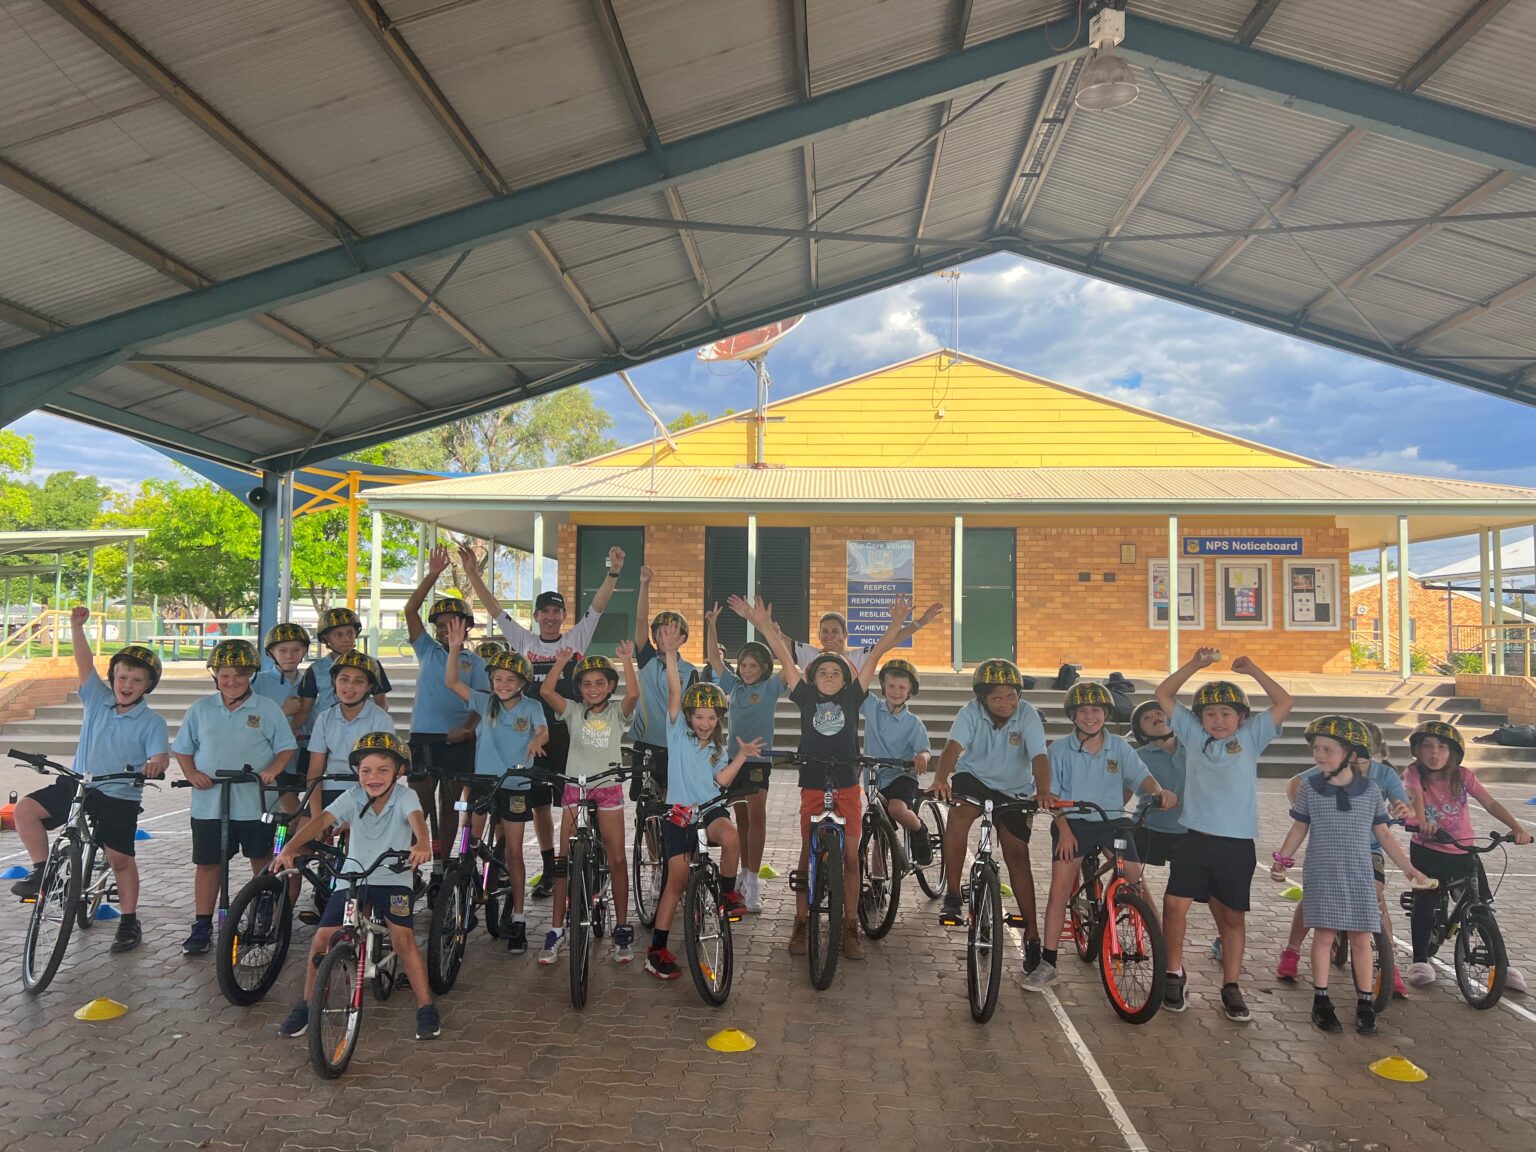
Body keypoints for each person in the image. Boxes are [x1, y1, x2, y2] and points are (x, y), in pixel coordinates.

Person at [736, 593, 910, 962]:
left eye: (835, 672)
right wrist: (765, 626)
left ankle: (849, 927)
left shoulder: (852, 698)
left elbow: (876, 655)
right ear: (812, 677)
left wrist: (896, 624)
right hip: (813, 783)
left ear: (846, 678)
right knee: (805, 855)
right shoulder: (805, 697)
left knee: (850, 859)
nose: (829, 676)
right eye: (822, 672)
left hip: (846, 783)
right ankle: (801, 922)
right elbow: (784, 657)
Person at [458, 541, 625, 899]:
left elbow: (598, 607)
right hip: (531, 737)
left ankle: (587, 858)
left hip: (570, 736)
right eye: (544, 612)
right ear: (536, 616)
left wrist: (613, 573)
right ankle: (552, 869)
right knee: (537, 807)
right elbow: (496, 610)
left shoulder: (576, 638)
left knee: (577, 801)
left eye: (556, 612)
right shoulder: (522, 640)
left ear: (563, 616)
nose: (550, 617)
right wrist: (473, 572)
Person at [9, 608, 168, 955]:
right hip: (79, 784)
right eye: (122, 677)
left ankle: (128, 921)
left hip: (119, 793)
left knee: (119, 858)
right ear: (113, 678)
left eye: (137, 680)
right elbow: (84, 664)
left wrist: (155, 764)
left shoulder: (151, 721)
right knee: (25, 810)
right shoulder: (98, 699)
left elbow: (160, 756)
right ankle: (41, 871)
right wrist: (76, 627)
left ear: (148, 686)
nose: (127, 685)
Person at [1154, 648, 1292, 1022]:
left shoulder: (1251, 737)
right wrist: (1195, 665)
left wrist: (1253, 670)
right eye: (1210, 714)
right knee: (1173, 906)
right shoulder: (1192, 735)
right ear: (1199, 719)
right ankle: (1172, 973)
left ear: (1241, 718)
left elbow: (1284, 701)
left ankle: (1231, 986)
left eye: (1226, 713)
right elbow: (1164, 695)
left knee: (1231, 918)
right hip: (1195, 837)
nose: (1218, 720)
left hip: (1235, 844)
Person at [273, 733, 439, 1042]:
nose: (373, 777)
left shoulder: (406, 797)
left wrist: (422, 844)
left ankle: (425, 1006)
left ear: (399, 772)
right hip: (355, 875)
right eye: (365, 770)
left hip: (392, 876)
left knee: (403, 939)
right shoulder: (352, 796)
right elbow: (319, 820)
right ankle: (306, 1005)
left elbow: (418, 823)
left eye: (382, 770)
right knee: (322, 938)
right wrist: (290, 848)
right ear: (356, 772)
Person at [1270, 716, 1428, 1034]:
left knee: (1360, 937)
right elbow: (1299, 827)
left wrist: (1409, 869)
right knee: (1325, 935)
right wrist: (1282, 860)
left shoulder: (1370, 791)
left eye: (1327, 749)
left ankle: (1365, 1003)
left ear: (1350, 754)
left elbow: (1384, 835)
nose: (1319, 755)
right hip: (1322, 872)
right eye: (1317, 749)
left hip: (1358, 873)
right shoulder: (1309, 789)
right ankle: (1322, 1000)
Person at [1028, 681, 1176, 991]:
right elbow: (1051, 794)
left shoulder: (1120, 747)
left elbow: (1141, 776)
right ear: (1073, 715)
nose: (1090, 716)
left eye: (1096, 710)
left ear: (1106, 713)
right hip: (1074, 821)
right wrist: (1064, 829)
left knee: (1135, 878)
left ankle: (1162, 949)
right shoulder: (1060, 749)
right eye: (1083, 711)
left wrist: (1158, 791)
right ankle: (1048, 961)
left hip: (1112, 820)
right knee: (1060, 888)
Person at [644, 621, 761, 979]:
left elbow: (721, 780)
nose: (705, 722)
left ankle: (727, 893)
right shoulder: (677, 733)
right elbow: (676, 692)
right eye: (699, 716)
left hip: (709, 808)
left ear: (718, 719)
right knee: (676, 882)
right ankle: (658, 950)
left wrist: (742, 757)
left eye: (711, 717)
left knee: (730, 837)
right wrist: (668, 653)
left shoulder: (718, 747)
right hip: (679, 813)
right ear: (689, 717)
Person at [171, 638, 297, 956]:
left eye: (239, 674)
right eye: (224, 675)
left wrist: (272, 771)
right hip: (210, 801)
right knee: (208, 863)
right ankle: (202, 924)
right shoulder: (201, 709)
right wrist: (192, 774)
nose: (232, 681)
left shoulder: (266, 709)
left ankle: (263, 909)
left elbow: (285, 747)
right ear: (215, 676)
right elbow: (183, 749)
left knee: (261, 858)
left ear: (251, 675)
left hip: (254, 801)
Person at [931, 659, 1050, 972]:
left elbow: (1039, 756)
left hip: (1016, 788)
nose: (1005, 703)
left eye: (1011, 695)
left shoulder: (1028, 715)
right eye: (997, 697)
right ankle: (954, 895)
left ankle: (1032, 935)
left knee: (1017, 853)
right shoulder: (970, 712)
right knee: (957, 818)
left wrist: (1043, 790)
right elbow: (952, 748)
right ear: (982, 698)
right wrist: (941, 778)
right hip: (976, 779)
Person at [442, 614, 548, 956]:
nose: (502, 684)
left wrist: (536, 742)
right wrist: (455, 648)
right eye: (498, 678)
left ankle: (518, 918)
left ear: (522, 682)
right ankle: (469, 884)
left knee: (515, 851)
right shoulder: (483, 702)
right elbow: (451, 684)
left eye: (510, 679)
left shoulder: (531, 708)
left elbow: (542, 731)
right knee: (468, 842)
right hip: (482, 782)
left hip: (515, 784)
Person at [1401, 720, 1533, 988]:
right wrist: (1422, 821)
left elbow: (1491, 803)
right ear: (1417, 750)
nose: (1434, 753)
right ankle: (1420, 961)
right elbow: (1416, 802)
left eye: (1442, 747)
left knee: (1482, 905)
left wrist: (1517, 828)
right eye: (1427, 746)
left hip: (1462, 850)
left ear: (1454, 753)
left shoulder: (1464, 776)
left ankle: (1501, 965)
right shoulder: (1414, 773)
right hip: (1428, 850)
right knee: (1425, 902)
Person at [538, 641, 640, 965]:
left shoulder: (615, 713)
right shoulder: (570, 710)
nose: (592, 688)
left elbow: (634, 696)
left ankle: (622, 928)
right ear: (578, 688)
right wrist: (561, 663)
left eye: (599, 683)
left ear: (610, 686)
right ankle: (557, 930)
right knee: (563, 861)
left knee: (617, 858)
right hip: (575, 789)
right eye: (586, 683)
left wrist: (625, 661)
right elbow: (545, 691)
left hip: (608, 787)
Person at [402, 547, 488, 863]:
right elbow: (410, 611)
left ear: (467, 627)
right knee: (418, 806)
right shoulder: (427, 650)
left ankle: (442, 861)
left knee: (450, 805)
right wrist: (433, 573)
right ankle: (409, 863)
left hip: (458, 741)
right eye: (440, 624)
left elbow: (482, 703)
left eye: (453, 624)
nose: (446, 629)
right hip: (424, 738)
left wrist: (467, 730)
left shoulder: (475, 662)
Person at [703, 604, 785, 913]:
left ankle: (752, 882)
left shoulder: (771, 688)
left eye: (753, 665)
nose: (747, 670)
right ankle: (741, 875)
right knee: (743, 821)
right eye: (744, 665)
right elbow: (714, 659)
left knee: (758, 819)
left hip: (758, 762)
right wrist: (712, 625)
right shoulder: (733, 687)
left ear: (764, 668)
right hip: (733, 763)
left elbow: (788, 665)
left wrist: (770, 631)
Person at [628, 566, 699, 812]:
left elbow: (691, 712)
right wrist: (645, 585)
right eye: (660, 630)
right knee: (646, 807)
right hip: (645, 741)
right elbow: (640, 620)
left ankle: (673, 848)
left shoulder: (690, 671)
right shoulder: (646, 658)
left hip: (674, 745)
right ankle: (651, 850)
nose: (665, 635)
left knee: (673, 803)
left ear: (683, 638)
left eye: (672, 631)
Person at [860, 658, 934, 869]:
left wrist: (921, 757)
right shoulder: (872, 707)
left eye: (902, 687)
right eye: (891, 686)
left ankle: (920, 830)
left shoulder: (913, 723)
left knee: (896, 809)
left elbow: (924, 749)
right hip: (874, 777)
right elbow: (859, 682)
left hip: (901, 775)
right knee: (879, 834)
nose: (895, 691)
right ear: (883, 686)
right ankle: (878, 883)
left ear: (910, 691)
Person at [305, 650, 395, 816]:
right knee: (301, 838)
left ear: (369, 687)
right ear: (334, 682)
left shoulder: (381, 719)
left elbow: (384, 770)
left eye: (358, 682)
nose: (349, 687)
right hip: (329, 787)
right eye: (344, 680)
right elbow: (315, 770)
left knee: (353, 839)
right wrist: (316, 815)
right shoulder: (324, 718)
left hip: (367, 791)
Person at [295, 607, 392, 737]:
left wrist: (377, 728)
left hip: (360, 732)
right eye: (338, 634)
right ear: (325, 639)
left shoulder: (371, 664)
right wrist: (290, 730)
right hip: (325, 733)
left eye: (350, 633)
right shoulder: (315, 670)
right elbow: (305, 710)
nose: (346, 638)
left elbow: (381, 703)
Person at [783, 602, 943, 674]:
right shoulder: (809, 655)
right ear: (818, 635)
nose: (829, 636)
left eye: (835, 631)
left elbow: (890, 641)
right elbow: (780, 640)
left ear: (845, 634)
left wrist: (920, 622)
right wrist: (765, 625)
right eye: (825, 631)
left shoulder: (858, 657)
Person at [1127, 700, 1187, 873]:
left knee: (1183, 887)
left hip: (1188, 831)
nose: (1155, 717)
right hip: (1148, 827)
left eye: (1159, 713)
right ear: (1142, 734)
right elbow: (1122, 793)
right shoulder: (1136, 757)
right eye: (1147, 717)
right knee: (1127, 874)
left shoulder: (1194, 749)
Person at [254, 622, 310, 743]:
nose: (290, 656)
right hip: (263, 755)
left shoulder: (309, 684)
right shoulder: (256, 682)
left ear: (304, 651)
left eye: (296, 650)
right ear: (270, 653)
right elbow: (247, 722)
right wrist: (283, 711)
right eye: (283, 651)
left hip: (297, 757)